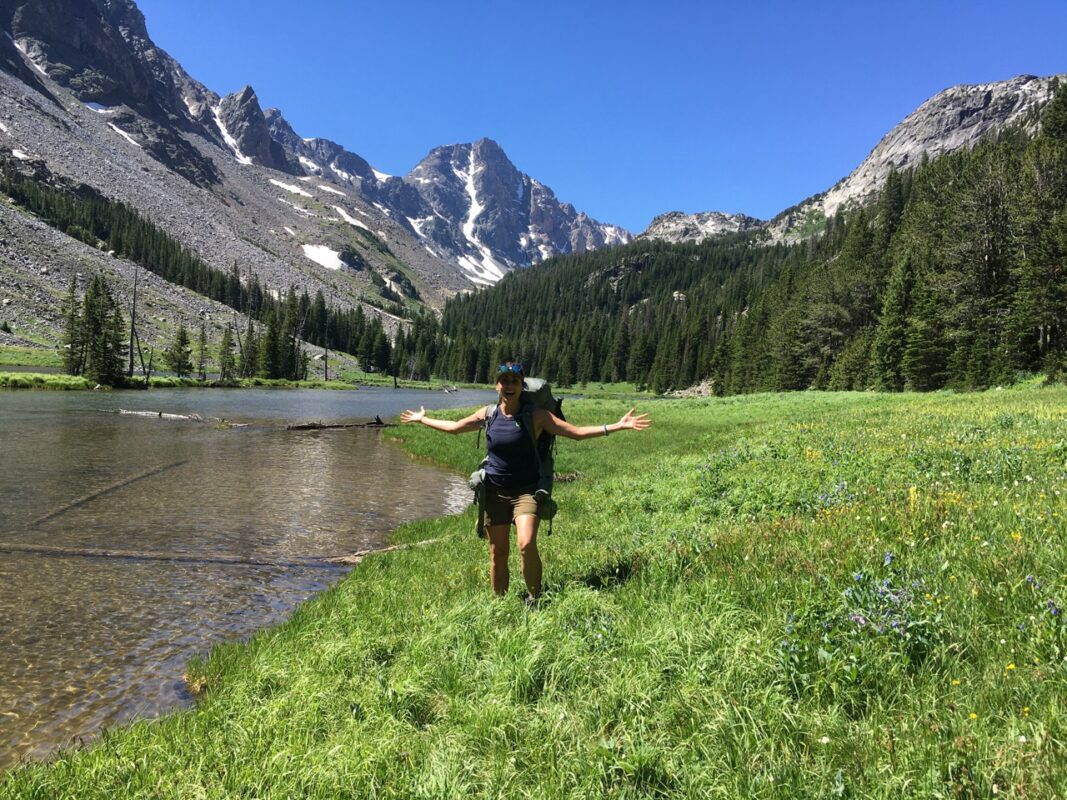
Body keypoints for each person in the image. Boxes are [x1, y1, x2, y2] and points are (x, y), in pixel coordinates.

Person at [400, 361, 651, 604]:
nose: (509, 385)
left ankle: (534, 598)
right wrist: (423, 419)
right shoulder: (488, 414)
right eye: (504, 381)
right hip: (494, 492)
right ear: (497, 385)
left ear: (522, 386)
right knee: (497, 553)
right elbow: (454, 427)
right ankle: (499, 604)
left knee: (526, 543)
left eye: (515, 381)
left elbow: (575, 433)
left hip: (526, 492)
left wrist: (617, 426)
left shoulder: (537, 416)